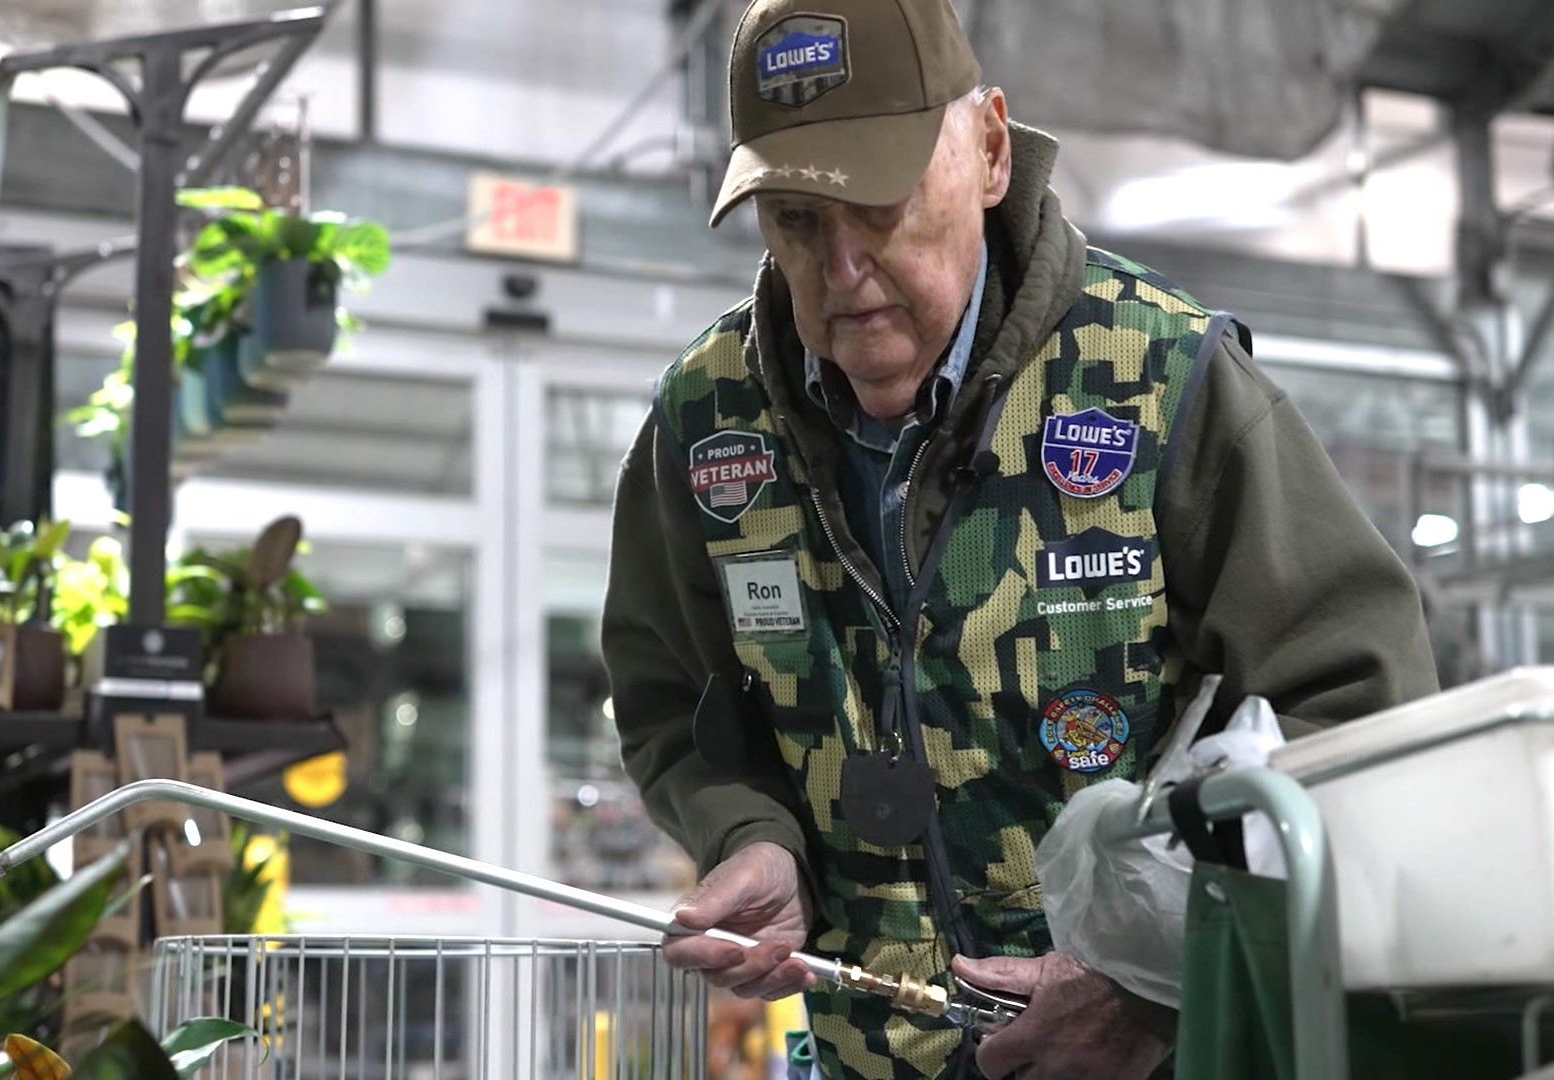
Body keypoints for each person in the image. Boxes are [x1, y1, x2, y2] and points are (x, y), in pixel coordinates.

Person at [600, 0, 1440, 1076]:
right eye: (797, 220)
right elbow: (671, 696)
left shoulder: (1161, 383)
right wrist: (749, 834)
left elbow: (1361, 711)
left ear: (990, 149)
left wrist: (1151, 979)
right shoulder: (708, 423)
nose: (843, 268)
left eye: (881, 205)